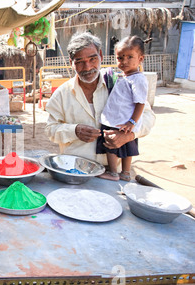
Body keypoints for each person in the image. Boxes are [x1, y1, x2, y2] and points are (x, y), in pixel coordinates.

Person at [44, 32, 155, 170]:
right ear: (72, 63)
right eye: (80, 62)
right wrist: (74, 131)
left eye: (92, 59)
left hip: (113, 171)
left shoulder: (120, 83)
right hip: (74, 170)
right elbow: (50, 130)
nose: (88, 67)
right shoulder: (62, 94)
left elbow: (148, 117)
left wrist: (128, 135)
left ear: (101, 56)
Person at [96, 36, 151, 181]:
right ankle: (125, 174)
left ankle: (114, 173)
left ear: (140, 58)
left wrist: (132, 122)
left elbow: (141, 103)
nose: (124, 61)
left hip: (123, 121)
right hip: (120, 119)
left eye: (130, 57)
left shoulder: (138, 79)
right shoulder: (124, 76)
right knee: (126, 148)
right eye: (120, 58)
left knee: (111, 146)